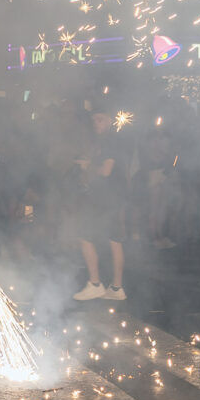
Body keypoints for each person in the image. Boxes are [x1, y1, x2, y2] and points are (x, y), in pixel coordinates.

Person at [71, 100, 128, 301]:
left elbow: (105, 171)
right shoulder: (108, 141)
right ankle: (116, 288)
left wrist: (88, 167)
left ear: (110, 120)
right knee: (114, 241)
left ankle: (95, 283)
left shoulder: (109, 141)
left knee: (83, 235)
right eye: (94, 120)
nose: (96, 124)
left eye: (100, 120)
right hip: (112, 198)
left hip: (107, 200)